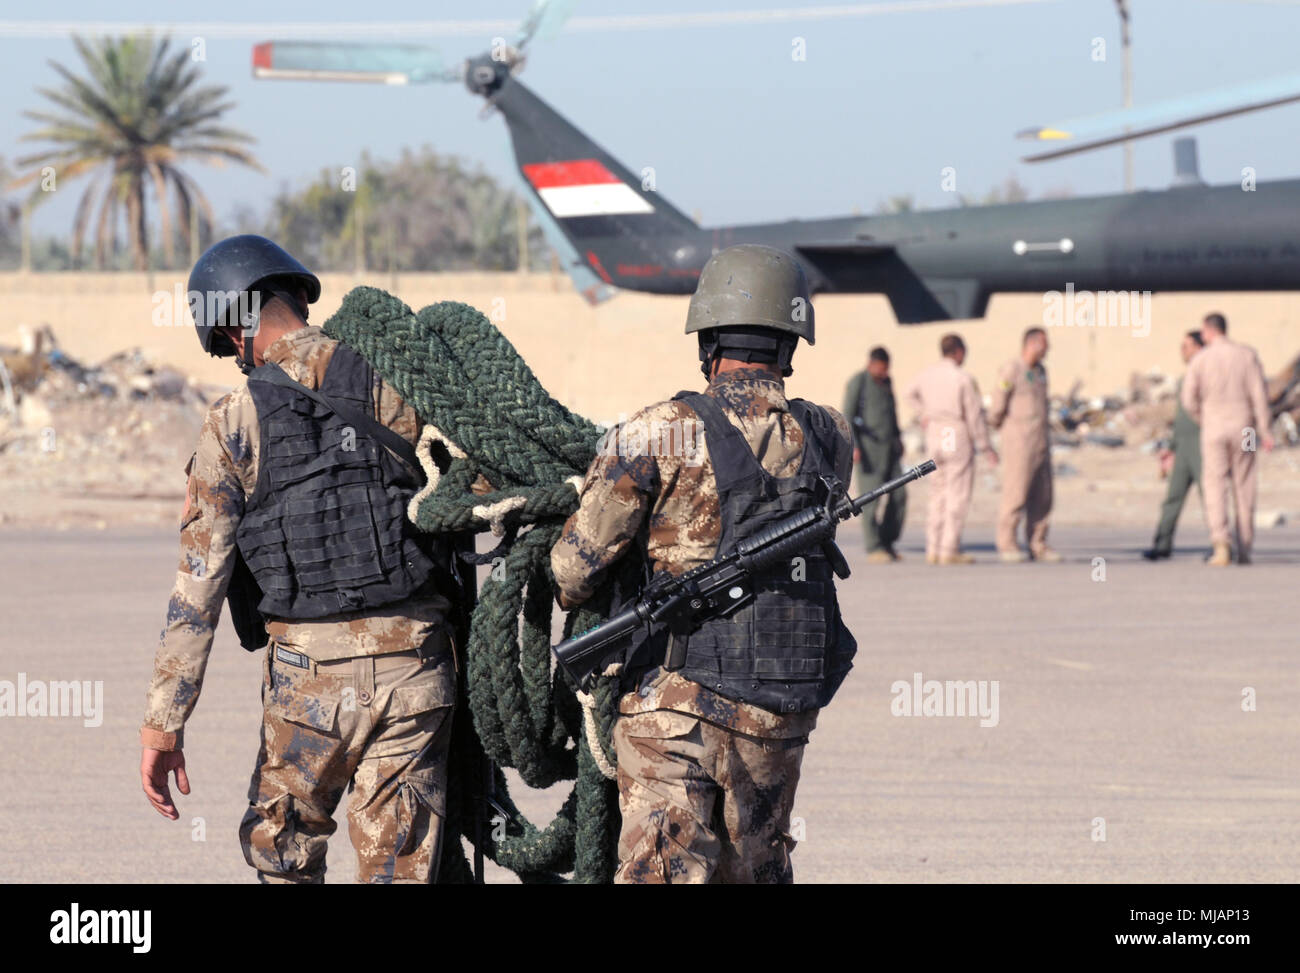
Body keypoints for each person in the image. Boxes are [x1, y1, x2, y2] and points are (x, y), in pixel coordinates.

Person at [138, 235, 463, 883]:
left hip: (311, 682)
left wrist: (162, 724)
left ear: (236, 324)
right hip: (416, 668)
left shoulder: (234, 418)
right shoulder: (397, 382)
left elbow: (200, 585)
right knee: (402, 866)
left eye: (226, 341)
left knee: (281, 851)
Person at [551, 244, 856, 884]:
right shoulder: (831, 433)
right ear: (790, 345)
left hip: (675, 703)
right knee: (758, 868)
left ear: (708, 339)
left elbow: (574, 574)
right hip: (781, 703)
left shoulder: (656, 432)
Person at [1181, 312, 1274, 566]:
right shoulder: (1247, 355)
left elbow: (1188, 400)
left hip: (1214, 428)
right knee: (1244, 484)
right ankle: (1245, 546)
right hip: (1244, 428)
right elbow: (1259, 395)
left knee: (1215, 484)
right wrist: (1265, 430)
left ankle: (1221, 543)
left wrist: (1203, 418)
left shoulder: (1201, 359)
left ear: (1209, 331)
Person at [905, 334, 997, 564]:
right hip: (955, 431)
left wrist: (923, 413)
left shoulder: (927, 374)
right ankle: (948, 548)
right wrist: (986, 446)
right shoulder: (962, 378)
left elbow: (908, 393)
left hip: (935, 432)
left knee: (937, 491)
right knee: (957, 492)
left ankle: (932, 547)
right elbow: (974, 415)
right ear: (958, 351)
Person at [989, 326, 1059, 562]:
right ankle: (1007, 543)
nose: (1047, 348)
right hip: (1019, 441)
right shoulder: (1013, 370)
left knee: (1043, 496)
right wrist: (998, 425)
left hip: (1040, 441)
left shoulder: (1040, 372)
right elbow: (998, 404)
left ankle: (1038, 543)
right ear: (1031, 344)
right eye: (1044, 343)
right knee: (1015, 493)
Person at [1143, 330, 1205, 560]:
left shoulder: (1208, 375)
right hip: (1183, 446)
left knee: (1211, 498)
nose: (1184, 351)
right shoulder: (1185, 379)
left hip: (1203, 444)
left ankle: (1223, 545)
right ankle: (1162, 544)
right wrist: (1170, 445)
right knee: (1172, 498)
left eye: (1188, 346)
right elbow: (1181, 416)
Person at [843, 346, 906, 562]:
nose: (884, 372)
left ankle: (887, 541)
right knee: (871, 500)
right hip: (869, 450)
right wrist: (854, 446)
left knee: (899, 495)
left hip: (890, 449)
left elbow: (892, 412)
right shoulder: (859, 382)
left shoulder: (887, 382)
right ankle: (874, 546)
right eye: (881, 368)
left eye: (886, 369)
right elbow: (848, 415)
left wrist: (898, 437)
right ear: (871, 364)